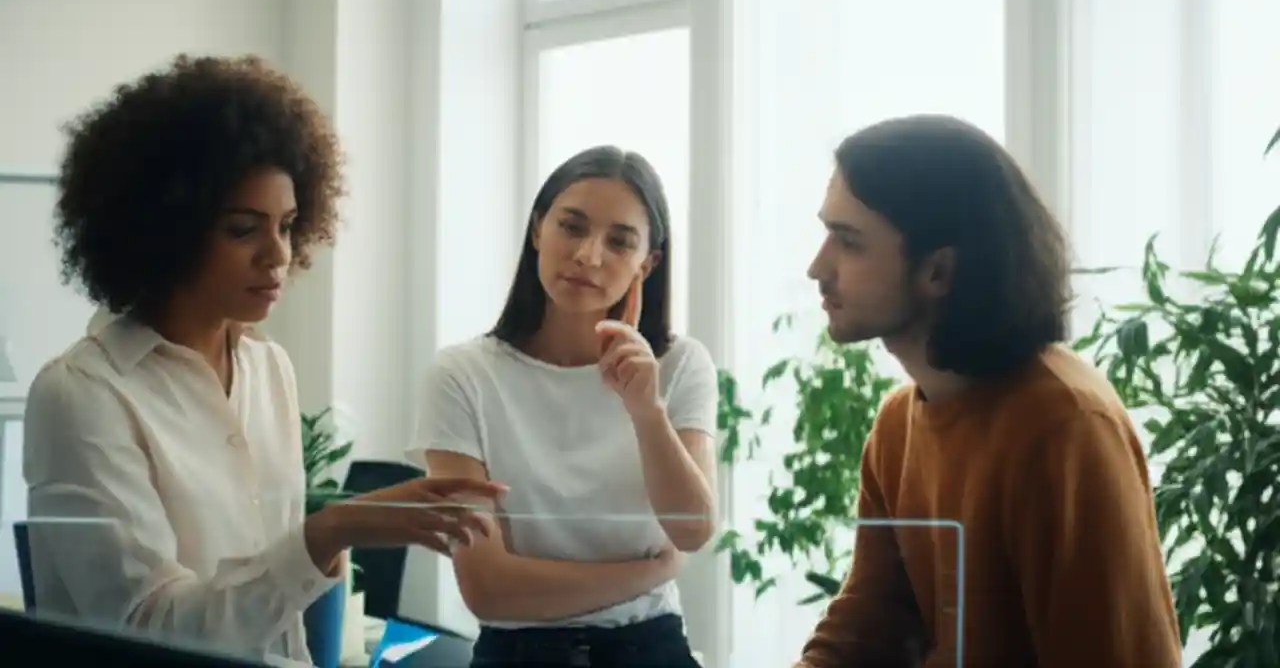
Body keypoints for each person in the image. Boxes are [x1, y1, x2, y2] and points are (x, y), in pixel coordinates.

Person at [22, 54, 505, 668]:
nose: (278, 256)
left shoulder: (267, 367)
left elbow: (283, 619)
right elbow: (148, 633)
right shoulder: (82, 395)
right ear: (166, 228)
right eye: (244, 229)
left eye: (288, 225)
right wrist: (331, 530)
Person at [796, 115, 1182, 667]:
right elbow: (867, 627)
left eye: (849, 242)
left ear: (938, 271)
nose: (817, 267)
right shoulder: (898, 422)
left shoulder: (1064, 425)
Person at [409, 145, 718, 667]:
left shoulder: (682, 364)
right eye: (571, 227)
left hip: (649, 649)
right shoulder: (463, 375)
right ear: (537, 230)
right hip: (517, 655)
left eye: (620, 242)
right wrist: (648, 572)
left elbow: (692, 529)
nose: (588, 255)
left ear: (649, 262)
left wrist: (646, 410)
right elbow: (488, 588)